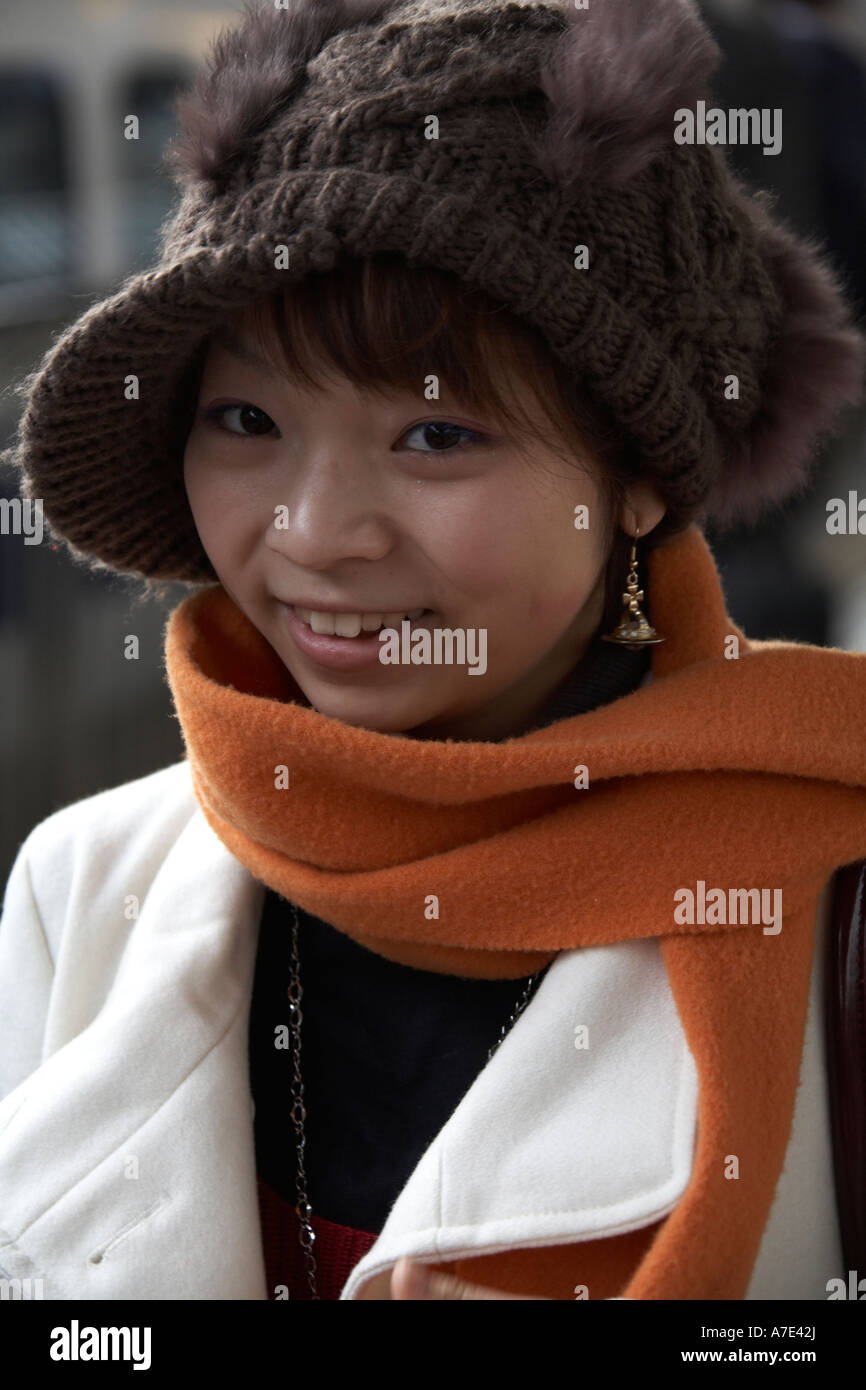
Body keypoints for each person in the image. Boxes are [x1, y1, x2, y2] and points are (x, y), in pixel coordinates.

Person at [1, 0, 865, 1303]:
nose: (312, 534)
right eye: (246, 417)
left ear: (637, 477)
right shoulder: (78, 888)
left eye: (436, 436)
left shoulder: (837, 908)